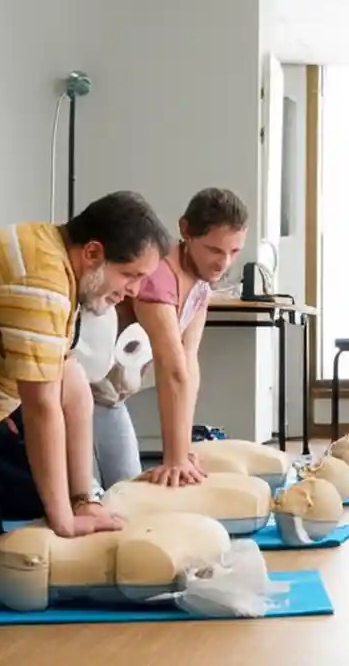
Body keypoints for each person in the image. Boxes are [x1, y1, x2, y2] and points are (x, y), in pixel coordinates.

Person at [0, 191, 170, 613]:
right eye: (130, 274)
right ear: (93, 252)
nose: (132, 291)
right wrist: (63, 519)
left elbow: (73, 393)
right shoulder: (41, 281)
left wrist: (83, 500)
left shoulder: (58, 264)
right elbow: (41, 409)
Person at [89, 188, 248, 489]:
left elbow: (189, 365)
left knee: (130, 493)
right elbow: (170, 365)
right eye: (214, 250)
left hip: (110, 399)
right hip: (76, 394)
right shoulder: (159, 274)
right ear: (185, 230)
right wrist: (173, 458)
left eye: (234, 252)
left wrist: (183, 448)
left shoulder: (202, 283)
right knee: (90, 498)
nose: (223, 263)